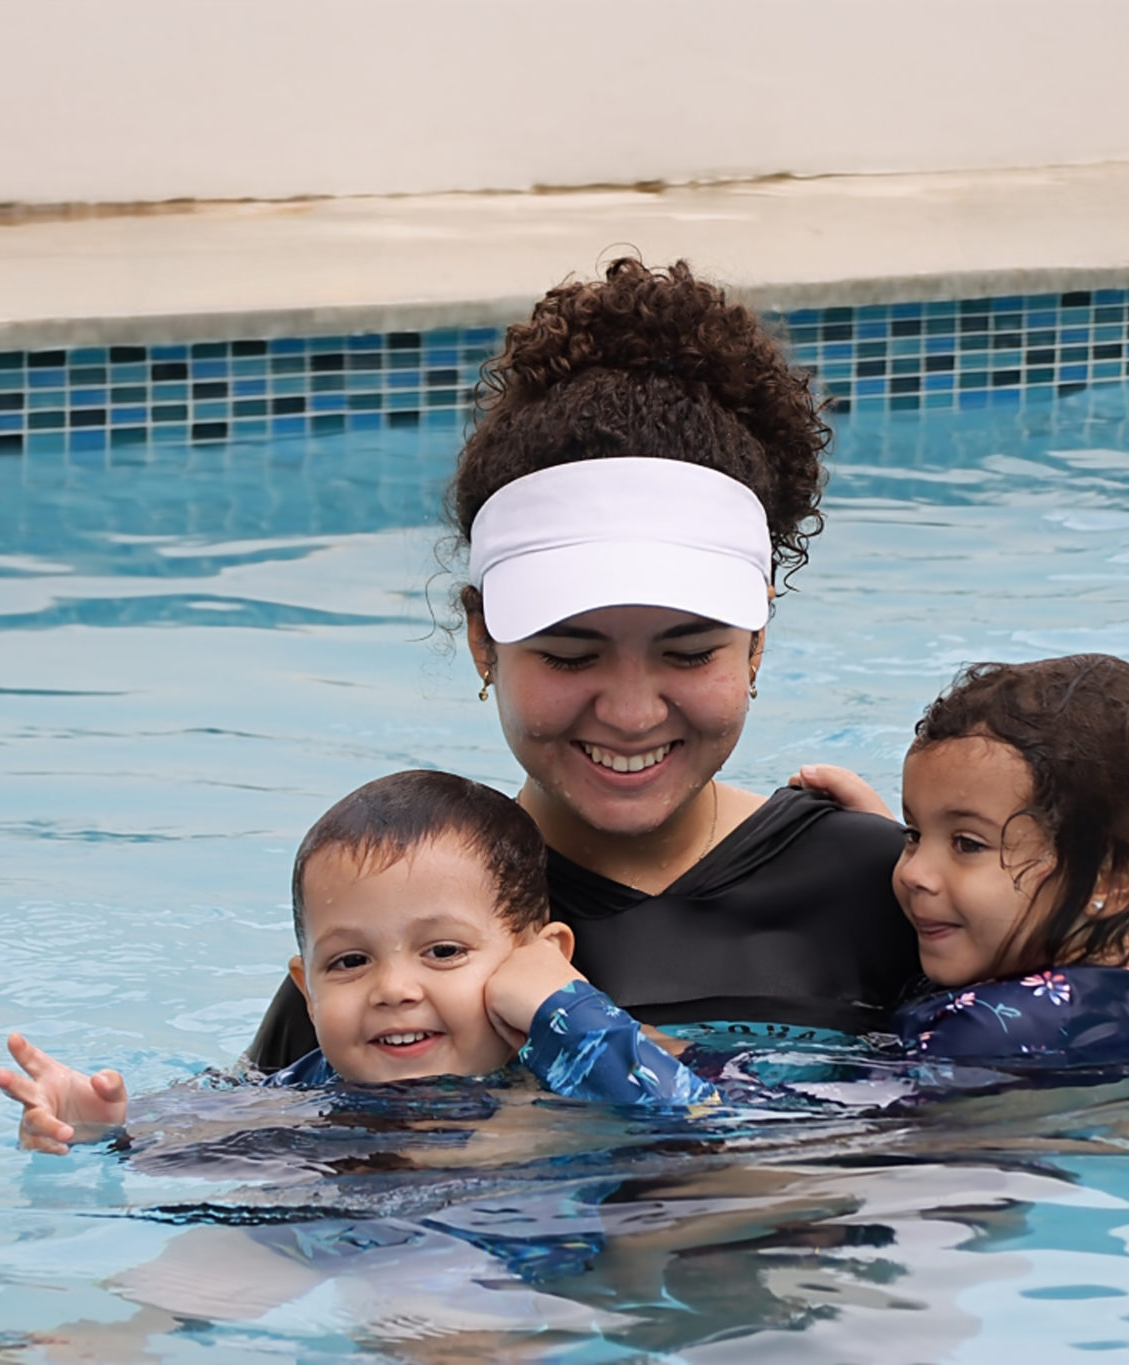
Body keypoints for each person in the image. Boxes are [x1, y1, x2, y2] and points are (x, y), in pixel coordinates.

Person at [246, 258, 920, 1072]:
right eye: (570, 654)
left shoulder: (878, 890)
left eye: (690, 650)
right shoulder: (395, 933)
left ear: (758, 640)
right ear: (482, 639)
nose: (632, 713)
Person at [0, 771, 710, 1152]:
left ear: (538, 956)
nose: (393, 988)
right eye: (349, 962)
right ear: (305, 991)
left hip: (512, 1265)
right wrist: (97, 1128)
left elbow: (707, 1123)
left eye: (443, 951)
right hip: (340, 1234)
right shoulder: (307, 1092)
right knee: (198, 1271)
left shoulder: (577, 1074)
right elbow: (180, 1136)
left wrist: (567, 1007)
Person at [858, 655, 1129, 1065]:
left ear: (1111, 882)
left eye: (967, 844)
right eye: (914, 834)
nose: (913, 873)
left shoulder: (977, 1035)